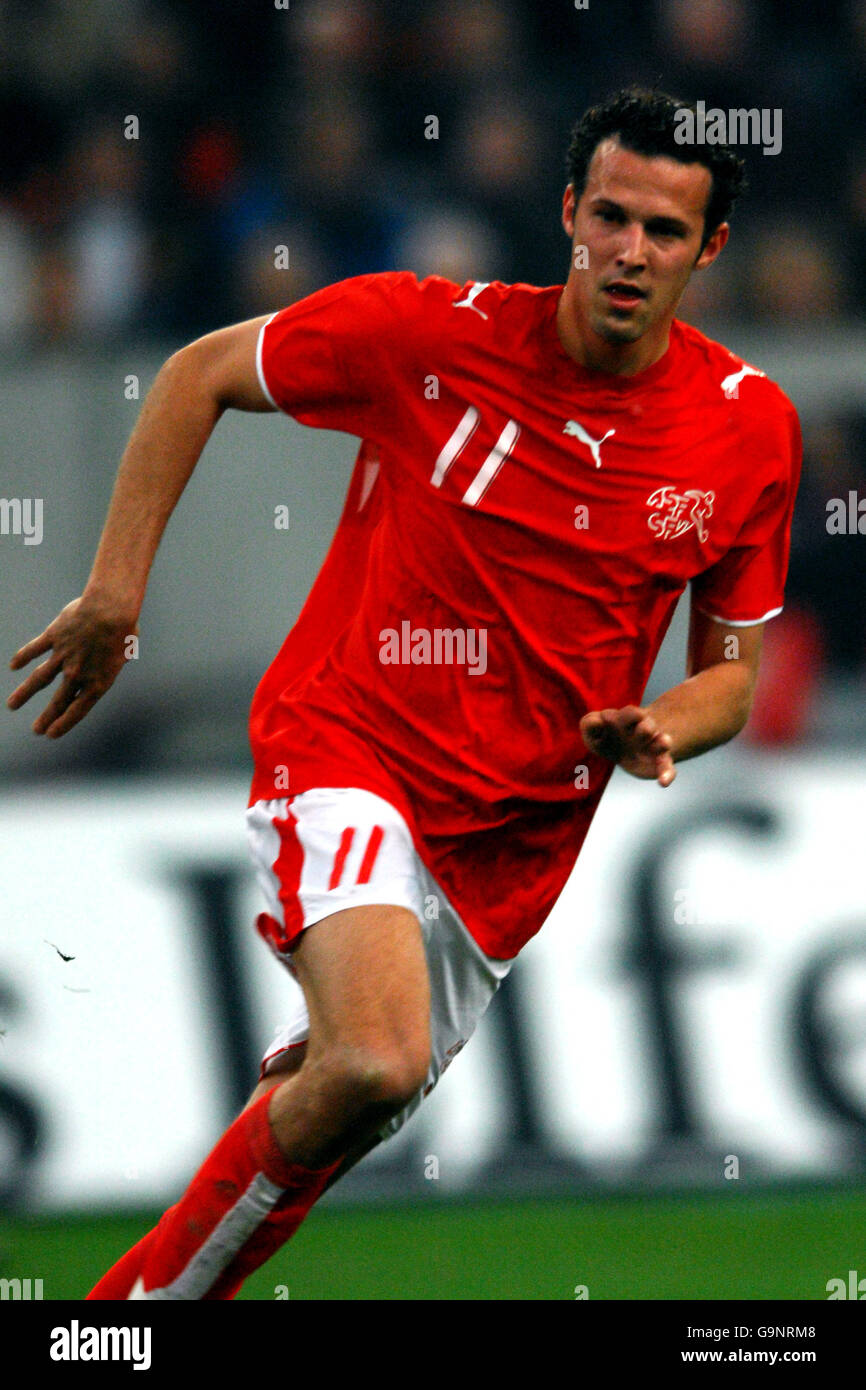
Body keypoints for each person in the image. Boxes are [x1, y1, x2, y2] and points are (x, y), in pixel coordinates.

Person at [7, 87, 801, 1300]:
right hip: (348, 739)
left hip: (510, 843)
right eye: (609, 217)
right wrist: (116, 593)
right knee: (375, 1062)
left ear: (710, 248)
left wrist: (660, 726)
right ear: (566, 214)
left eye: (663, 231)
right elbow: (195, 372)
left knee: (337, 1111)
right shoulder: (428, 335)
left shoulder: (748, 432)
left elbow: (728, 678)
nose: (628, 253)